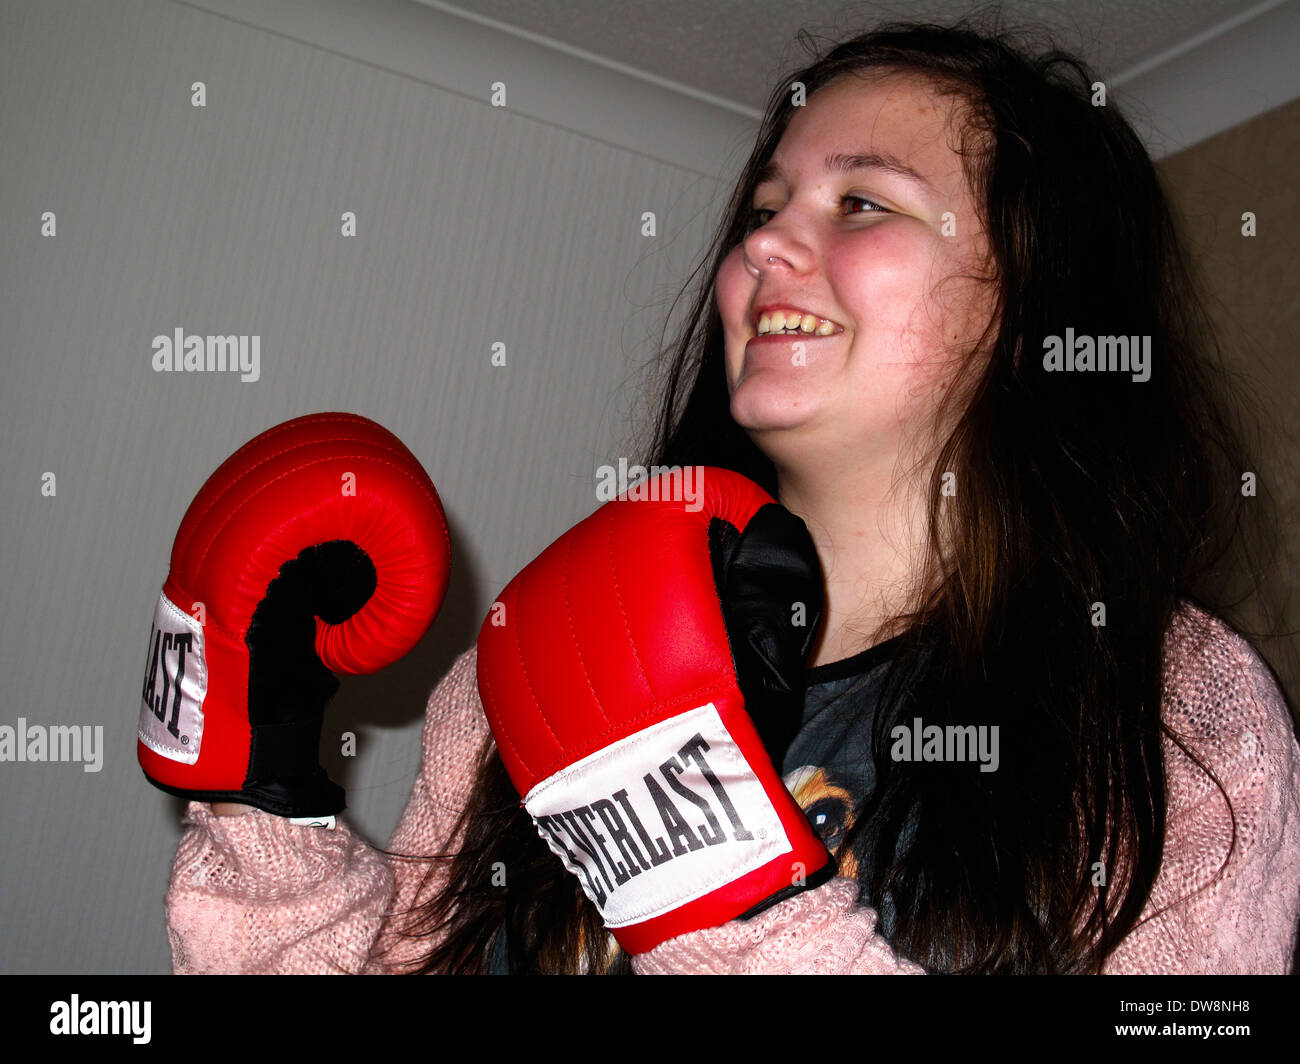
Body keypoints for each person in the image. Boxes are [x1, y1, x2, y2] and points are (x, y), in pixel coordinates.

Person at [168, 18, 1300, 975]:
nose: (766, 249)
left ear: (1032, 302)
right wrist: (259, 793)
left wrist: (713, 886)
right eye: (764, 207)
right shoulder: (529, 656)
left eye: (862, 204)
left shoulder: (1175, 710)